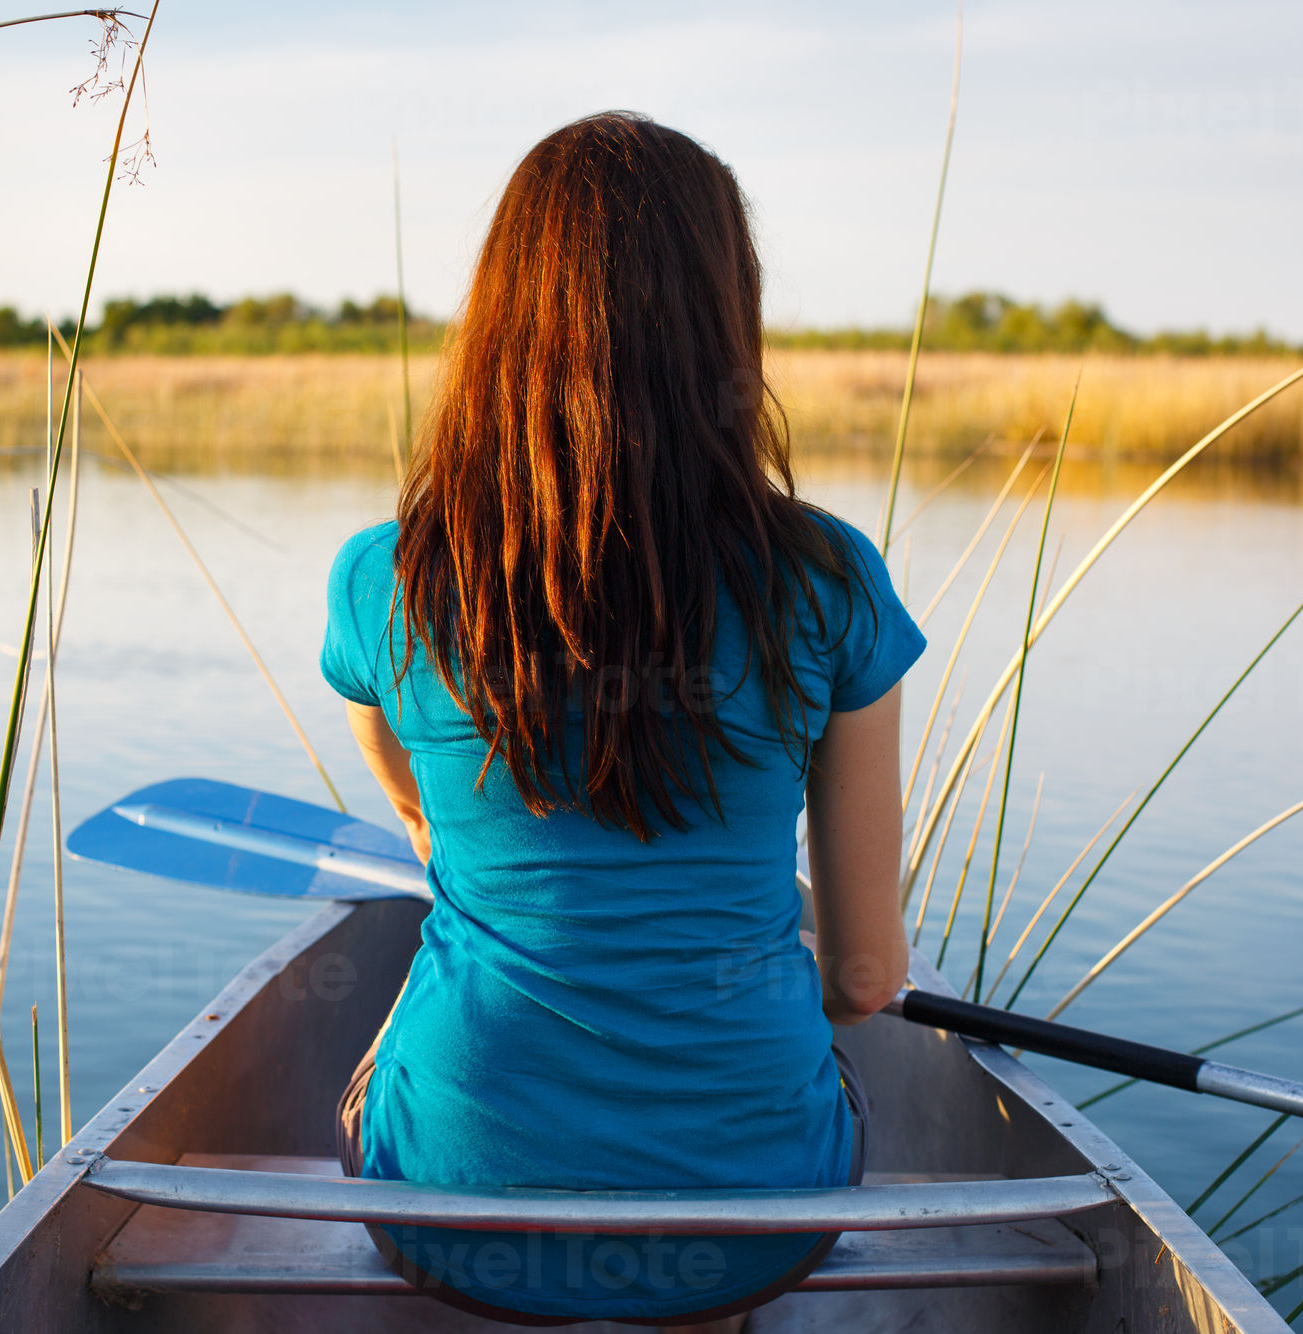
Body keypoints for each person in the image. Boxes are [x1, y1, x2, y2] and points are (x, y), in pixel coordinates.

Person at [320, 111, 925, 1330]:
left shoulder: (387, 580)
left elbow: (396, 770)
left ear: (500, 321)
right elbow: (863, 981)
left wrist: (437, 833)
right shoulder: (827, 582)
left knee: (392, 1069)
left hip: (457, 1211)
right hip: (746, 1232)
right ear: (724, 322)